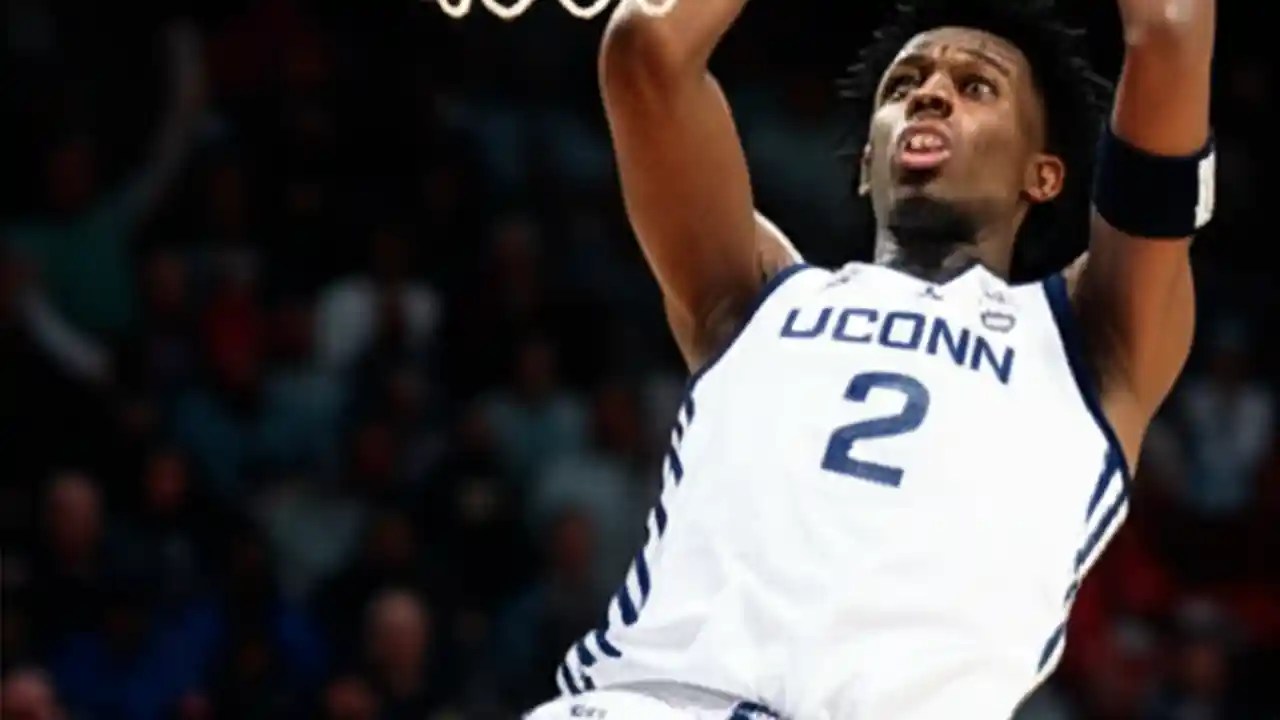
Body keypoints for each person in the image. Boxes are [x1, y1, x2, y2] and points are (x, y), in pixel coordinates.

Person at [525, 0, 1217, 716]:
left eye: (976, 86)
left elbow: (1169, 31)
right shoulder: (754, 295)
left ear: (1043, 177)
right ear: (865, 164)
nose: (929, 92)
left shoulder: (1090, 338)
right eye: (904, 84)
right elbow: (647, 50)